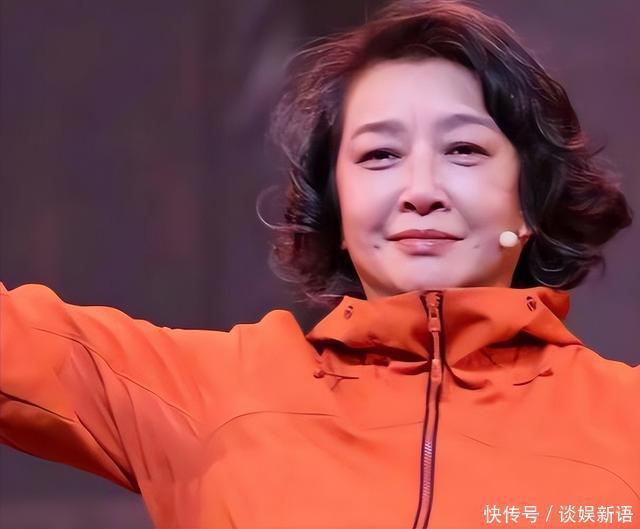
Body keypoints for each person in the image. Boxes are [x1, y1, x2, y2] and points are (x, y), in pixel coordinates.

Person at [1, 0, 637, 528]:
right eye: (379, 155)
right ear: (337, 210)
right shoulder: (212, 394)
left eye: (464, 149)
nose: (420, 189)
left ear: (532, 200)